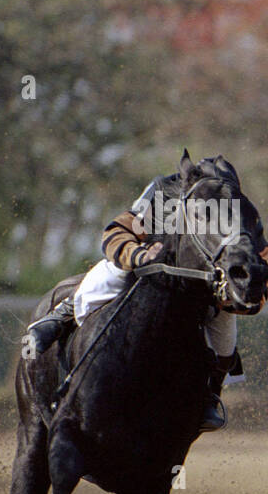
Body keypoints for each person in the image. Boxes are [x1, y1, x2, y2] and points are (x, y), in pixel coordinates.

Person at [25, 174, 240, 432]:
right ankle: (65, 312)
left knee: (226, 319)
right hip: (147, 270)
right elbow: (116, 233)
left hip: (197, 285)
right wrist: (138, 255)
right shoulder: (166, 191)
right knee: (112, 271)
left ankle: (210, 394)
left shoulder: (233, 209)